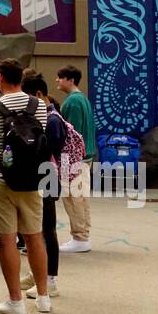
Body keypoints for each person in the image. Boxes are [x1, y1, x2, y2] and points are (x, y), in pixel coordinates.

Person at [0, 58, 52, 314]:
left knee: (6, 241)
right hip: (32, 178)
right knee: (34, 236)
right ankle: (43, 297)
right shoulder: (38, 105)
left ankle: (15, 301)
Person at [18, 71, 66, 298]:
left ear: (38, 94)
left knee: (47, 230)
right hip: (40, 174)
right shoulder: (44, 115)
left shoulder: (53, 119)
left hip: (47, 175)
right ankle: (36, 272)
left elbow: (49, 151)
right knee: (34, 229)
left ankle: (50, 279)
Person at [56, 65, 94, 253]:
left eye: (61, 77)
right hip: (85, 156)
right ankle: (82, 234)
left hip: (72, 158)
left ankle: (79, 236)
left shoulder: (71, 103)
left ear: (70, 80)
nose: (57, 81)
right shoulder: (83, 99)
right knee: (81, 197)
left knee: (73, 198)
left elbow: (70, 135)